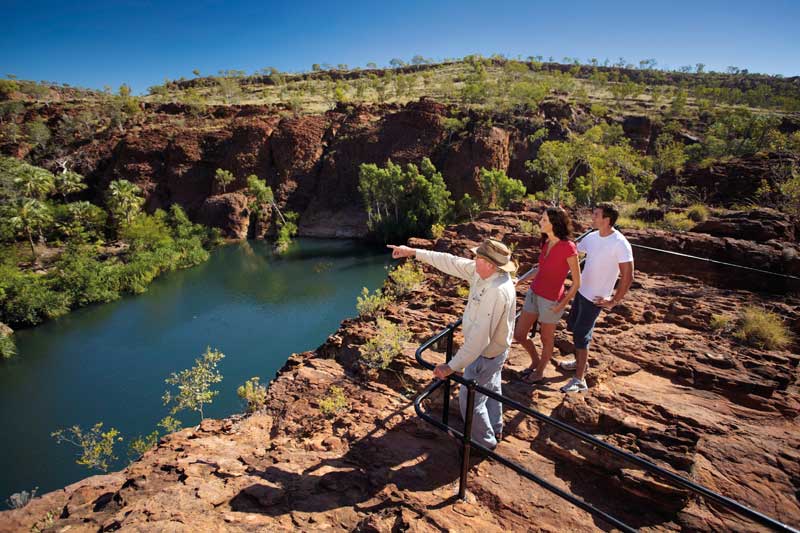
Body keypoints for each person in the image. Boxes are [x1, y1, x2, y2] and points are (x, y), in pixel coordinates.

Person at [388, 239, 516, 450]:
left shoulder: (496, 291)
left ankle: (484, 444)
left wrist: (451, 367)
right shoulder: (483, 273)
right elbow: (450, 261)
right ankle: (495, 427)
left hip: (484, 355)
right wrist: (413, 252)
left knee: (470, 401)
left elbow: (479, 339)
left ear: (490, 264)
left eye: (478, 257)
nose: (474, 259)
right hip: (494, 353)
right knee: (492, 387)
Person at [559, 202, 634, 393]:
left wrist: (614, 301)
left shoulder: (620, 243)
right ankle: (579, 362)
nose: (592, 217)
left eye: (596, 215)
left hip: (596, 299)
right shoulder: (592, 237)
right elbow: (573, 251)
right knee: (574, 327)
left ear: (607, 220)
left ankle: (579, 379)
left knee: (581, 335)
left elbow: (628, 276)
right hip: (581, 291)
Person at [513, 207, 581, 385]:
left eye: (544, 220)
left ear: (555, 223)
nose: (540, 222)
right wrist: (519, 281)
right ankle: (535, 361)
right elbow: (539, 269)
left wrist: (561, 305)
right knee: (519, 334)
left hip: (551, 300)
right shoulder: (545, 241)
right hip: (534, 293)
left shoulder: (568, 247)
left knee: (546, 338)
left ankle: (540, 371)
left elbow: (576, 282)